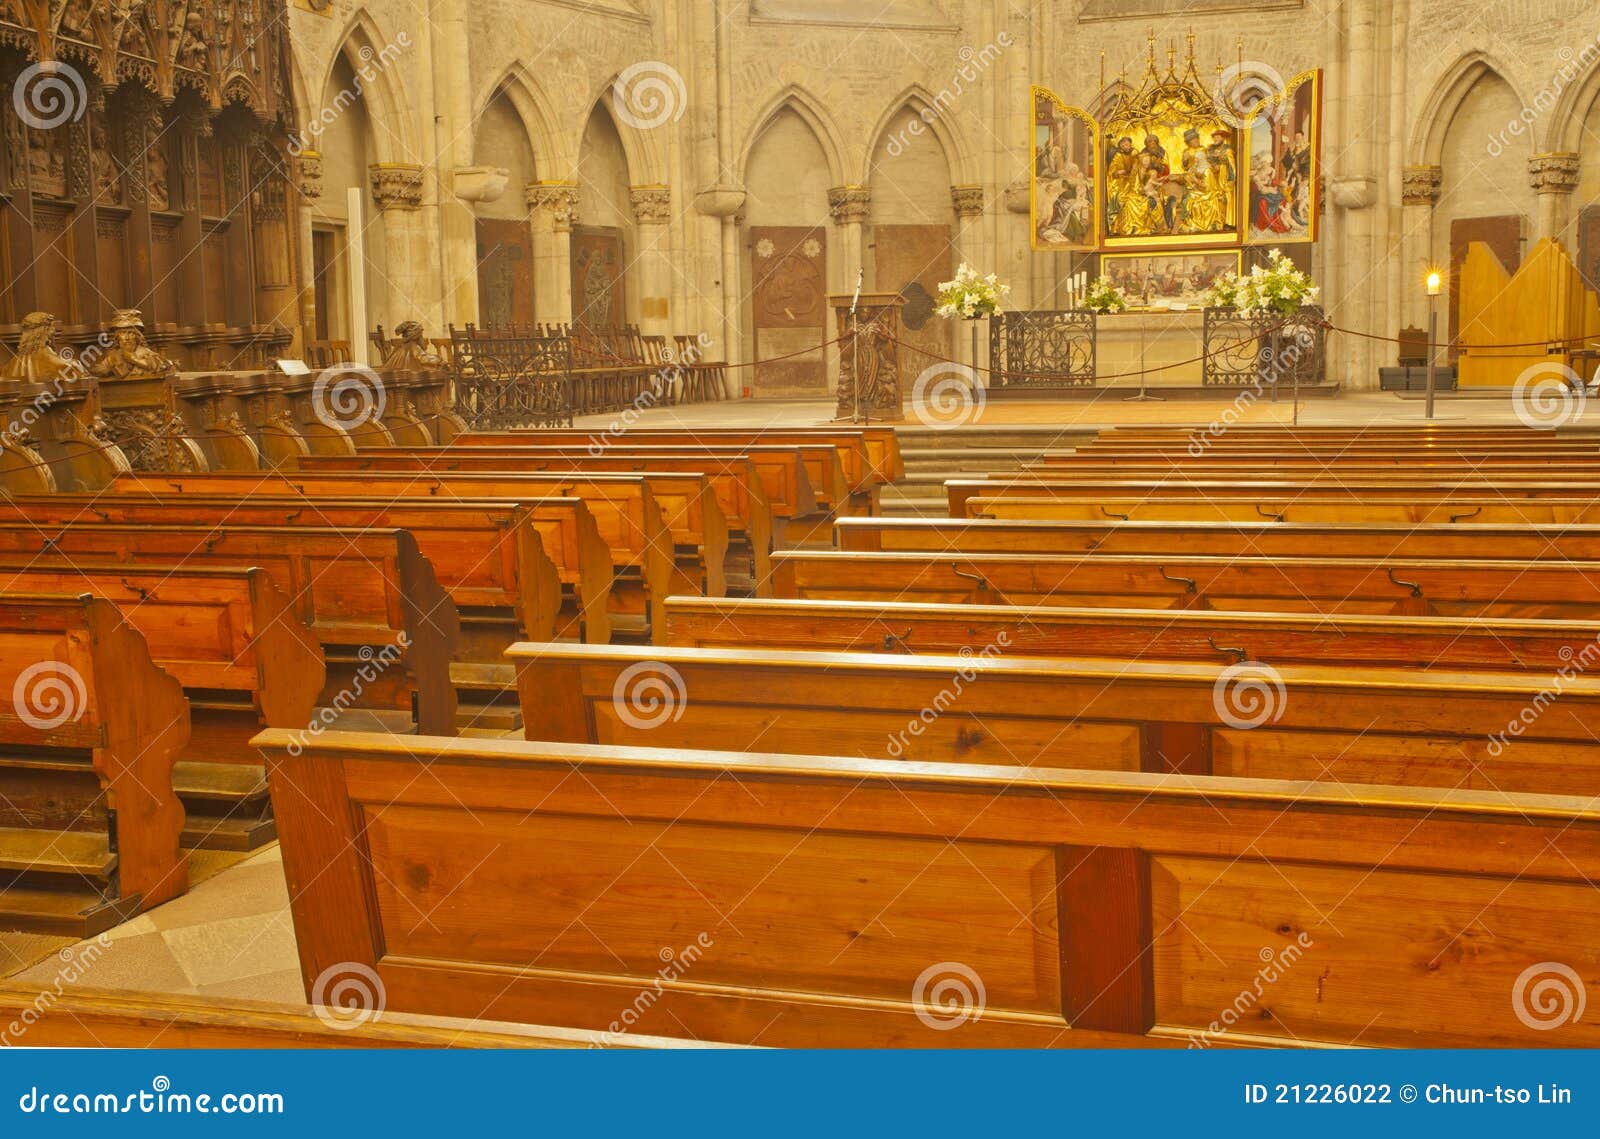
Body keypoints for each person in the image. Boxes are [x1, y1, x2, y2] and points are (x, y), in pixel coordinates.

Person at [89, 309, 177, 381]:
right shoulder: (114, 356)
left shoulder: (147, 354)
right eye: (122, 333)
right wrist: (108, 370)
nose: (126, 337)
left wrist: (134, 360)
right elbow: (96, 371)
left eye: (130, 333)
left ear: (137, 336)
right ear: (117, 337)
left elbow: (165, 367)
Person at [1, 311, 82, 383]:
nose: (53, 331)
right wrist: (75, 364)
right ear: (45, 331)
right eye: (51, 327)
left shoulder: (9, 367)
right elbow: (67, 368)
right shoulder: (47, 356)